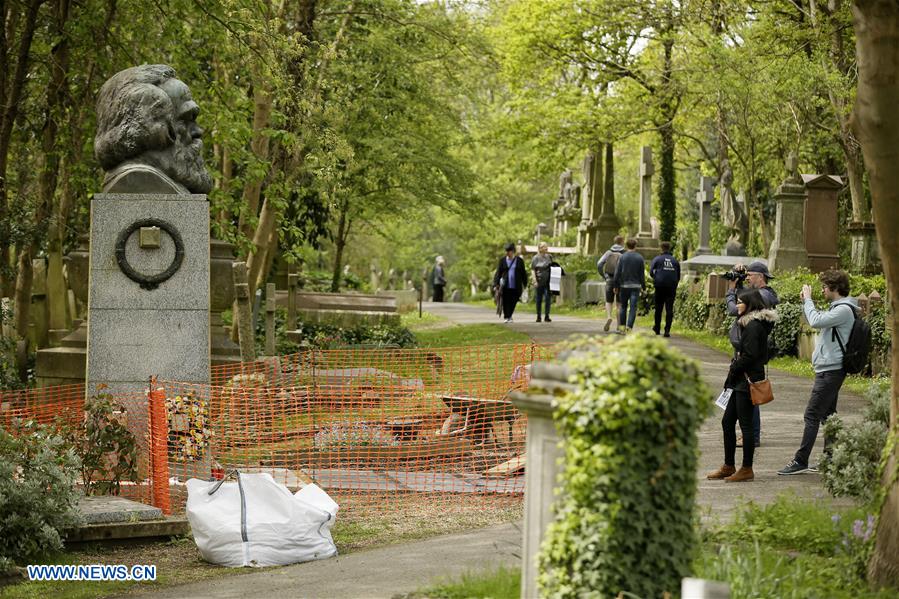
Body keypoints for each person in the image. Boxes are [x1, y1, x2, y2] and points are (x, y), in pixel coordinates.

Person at [778, 270, 858, 475]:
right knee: (828, 415)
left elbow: (814, 321)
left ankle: (801, 460)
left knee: (811, 414)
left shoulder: (844, 310)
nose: (822, 289)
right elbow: (817, 318)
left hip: (832, 370)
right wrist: (808, 302)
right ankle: (831, 459)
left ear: (834, 288)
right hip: (828, 368)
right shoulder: (838, 308)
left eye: (824, 286)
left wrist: (808, 300)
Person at [95, 64, 213, 195]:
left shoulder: (176, 185)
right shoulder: (138, 180)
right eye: (186, 119)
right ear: (149, 130)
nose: (198, 132)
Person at [708, 289, 777, 483]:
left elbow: (750, 355)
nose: (737, 305)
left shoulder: (754, 326)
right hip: (740, 380)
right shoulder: (750, 323)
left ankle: (747, 468)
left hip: (747, 380)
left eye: (740, 302)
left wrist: (735, 366)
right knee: (727, 422)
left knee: (745, 425)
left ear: (750, 304)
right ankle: (729, 465)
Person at [725, 261, 780, 448]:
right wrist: (738, 281)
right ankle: (749, 434)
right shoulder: (760, 293)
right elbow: (744, 303)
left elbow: (735, 309)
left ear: (761, 276)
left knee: (751, 393)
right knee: (747, 393)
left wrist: (732, 290)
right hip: (745, 348)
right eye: (746, 275)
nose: (747, 278)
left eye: (750, 275)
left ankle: (752, 436)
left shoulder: (764, 294)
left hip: (750, 352)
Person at [612, 239, 645, 334]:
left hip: (624, 286)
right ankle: (629, 328)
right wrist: (643, 287)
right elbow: (641, 274)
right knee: (633, 308)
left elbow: (617, 272)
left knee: (623, 307)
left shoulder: (622, 257)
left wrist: (616, 285)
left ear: (626, 246)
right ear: (635, 246)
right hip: (635, 286)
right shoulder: (640, 258)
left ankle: (622, 329)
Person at [649, 241, 680, 337]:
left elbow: (651, 272)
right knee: (669, 308)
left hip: (660, 286)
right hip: (671, 286)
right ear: (669, 248)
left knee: (658, 307)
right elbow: (678, 275)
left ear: (661, 248)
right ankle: (667, 330)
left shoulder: (657, 259)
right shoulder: (675, 260)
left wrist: (657, 277)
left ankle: (657, 328)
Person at [597, 235, 626, 332]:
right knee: (619, 304)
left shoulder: (609, 252)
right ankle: (618, 326)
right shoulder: (624, 253)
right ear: (622, 242)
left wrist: (604, 275)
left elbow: (599, 263)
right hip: (620, 281)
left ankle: (609, 317)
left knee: (609, 301)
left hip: (609, 278)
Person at [493, 242, 527, 323]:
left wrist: (525, 283)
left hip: (516, 285)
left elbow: (523, 273)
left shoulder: (519, 261)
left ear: (513, 251)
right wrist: (496, 284)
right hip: (505, 285)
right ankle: (507, 316)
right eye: (506, 251)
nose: (507, 253)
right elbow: (498, 273)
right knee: (506, 300)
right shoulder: (502, 261)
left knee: (514, 300)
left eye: (509, 251)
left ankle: (510, 315)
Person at [530, 242, 553, 322]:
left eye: (546, 246)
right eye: (544, 247)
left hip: (548, 282)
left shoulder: (549, 257)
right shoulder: (535, 258)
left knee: (548, 298)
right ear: (540, 249)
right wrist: (534, 280)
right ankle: (538, 316)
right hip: (539, 281)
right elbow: (533, 270)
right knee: (539, 299)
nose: (546, 248)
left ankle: (547, 316)